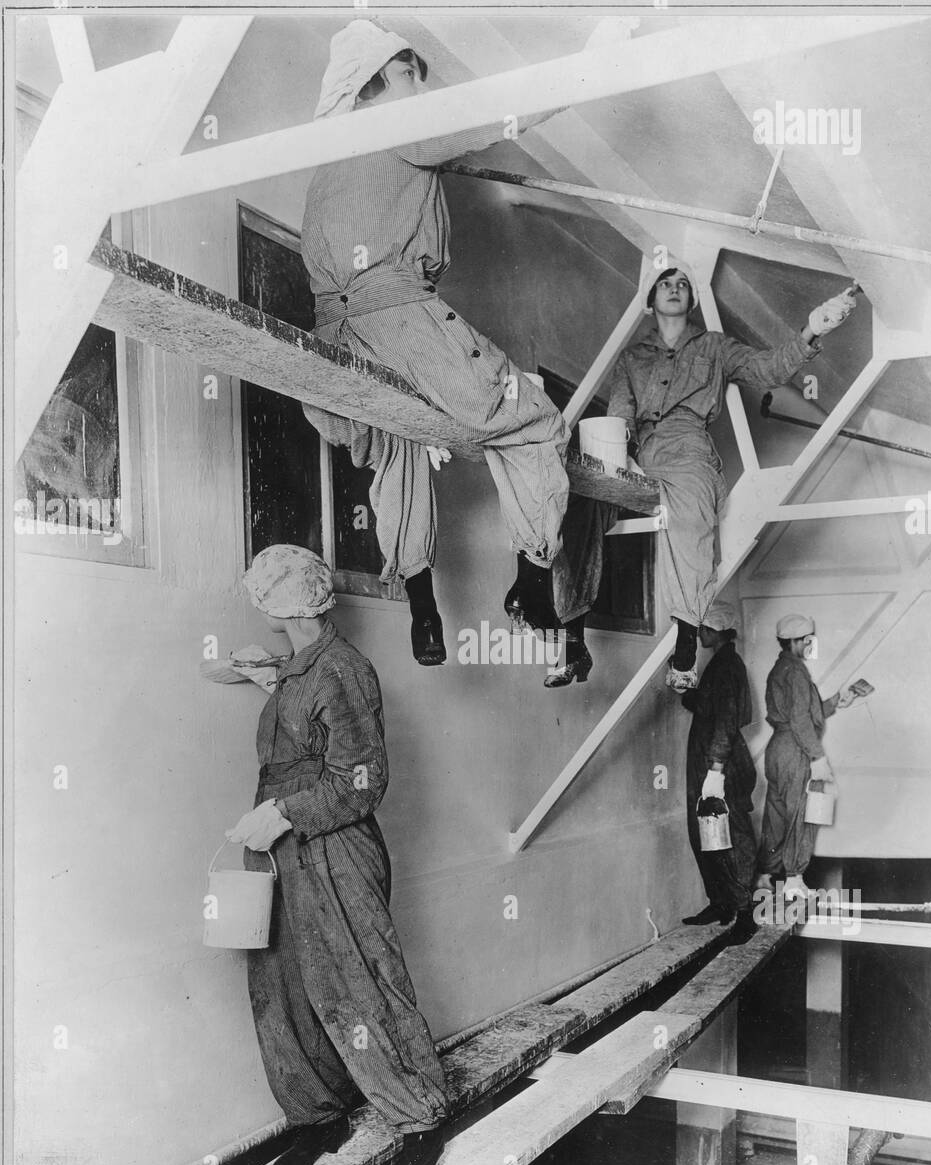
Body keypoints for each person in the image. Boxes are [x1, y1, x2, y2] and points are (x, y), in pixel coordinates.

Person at [301, 19, 575, 667]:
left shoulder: (323, 161)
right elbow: (496, 115)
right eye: (406, 73)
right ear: (372, 85)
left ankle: (422, 607)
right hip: (395, 313)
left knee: (400, 439)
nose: (418, 86)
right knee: (535, 421)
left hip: (333, 336)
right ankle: (534, 578)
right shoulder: (394, 126)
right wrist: (585, 72)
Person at [225, 544, 449, 1165]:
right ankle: (317, 1116)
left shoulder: (341, 670)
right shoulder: (303, 666)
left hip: (331, 846)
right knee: (282, 984)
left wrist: (285, 812)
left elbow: (362, 778)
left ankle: (420, 1121)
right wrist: (270, 676)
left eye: (262, 599)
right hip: (281, 845)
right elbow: (306, 730)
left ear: (284, 607)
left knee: (359, 983)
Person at [548, 263, 859, 690]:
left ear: (691, 299)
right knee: (580, 501)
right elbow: (619, 412)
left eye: (681, 285)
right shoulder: (633, 358)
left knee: (690, 514)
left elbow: (767, 369)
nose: (673, 290)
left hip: (689, 451)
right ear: (650, 299)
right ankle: (573, 641)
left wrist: (811, 330)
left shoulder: (713, 347)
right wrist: (618, 457)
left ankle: (686, 643)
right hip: (638, 453)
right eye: (664, 284)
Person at [756, 613, 864, 902]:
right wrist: (817, 757)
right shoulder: (796, 672)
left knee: (777, 813)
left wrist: (836, 702)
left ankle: (765, 875)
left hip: (778, 748)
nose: (809, 644)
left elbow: (801, 713)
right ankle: (794, 880)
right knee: (802, 812)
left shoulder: (780, 669)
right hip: (796, 749)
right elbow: (801, 720)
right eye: (806, 640)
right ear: (796, 641)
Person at [679, 601, 758, 941]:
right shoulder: (721, 664)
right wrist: (687, 694)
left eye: (703, 630)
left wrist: (716, 769)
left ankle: (744, 913)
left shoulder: (728, 666)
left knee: (733, 834)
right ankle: (721, 902)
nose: (699, 635)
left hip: (720, 762)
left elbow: (727, 722)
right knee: (705, 832)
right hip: (710, 758)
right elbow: (712, 708)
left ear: (715, 631)